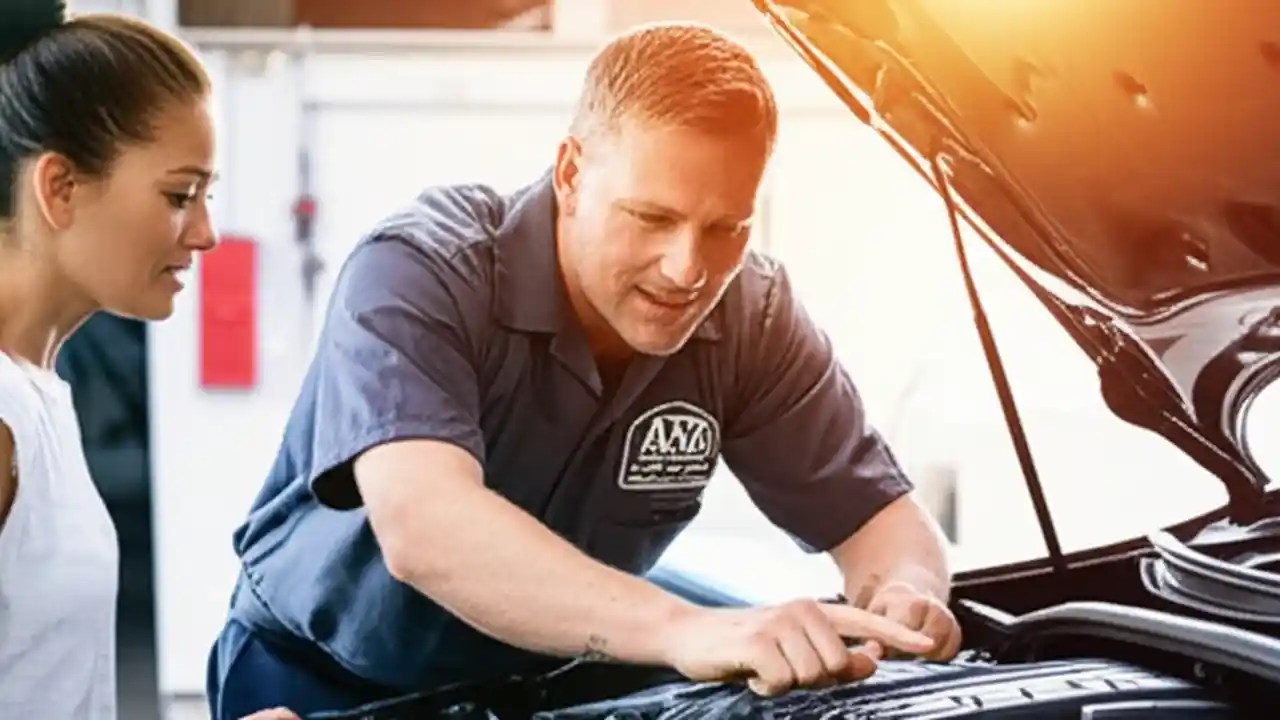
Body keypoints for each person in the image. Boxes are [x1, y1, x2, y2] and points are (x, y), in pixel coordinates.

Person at [207, 21, 962, 719]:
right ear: (570, 172)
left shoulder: (751, 315)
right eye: (653, 218)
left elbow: (882, 519)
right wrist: (684, 631)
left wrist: (905, 593)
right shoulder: (423, 270)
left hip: (552, 676)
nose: (688, 269)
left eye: (725, 228)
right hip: (321, 679)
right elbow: (425, 527)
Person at [0, 3, 296, 719]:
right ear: (60, 188)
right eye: (179, 195)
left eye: (207, 197)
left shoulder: (38, 395)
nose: (206, 233)